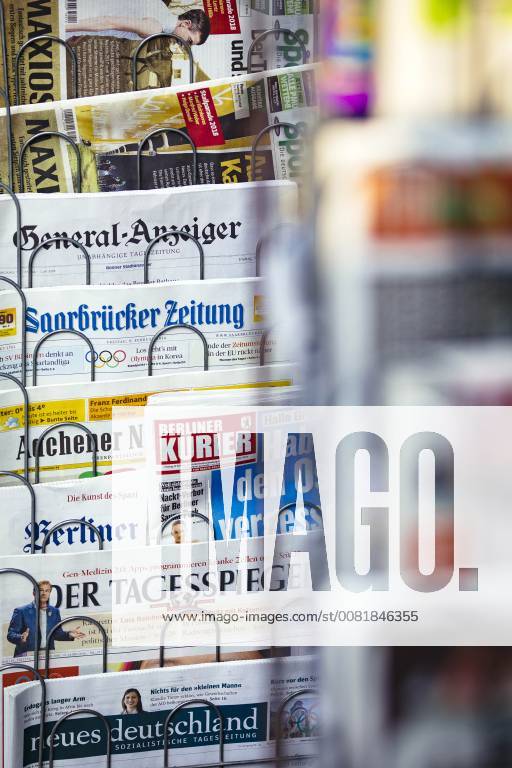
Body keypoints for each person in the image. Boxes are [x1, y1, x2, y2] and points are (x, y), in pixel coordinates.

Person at [66, 1, 210, 45]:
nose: (185, 45)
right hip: (77, 17)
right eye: (189, 41)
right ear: (186, 23)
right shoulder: (156, 28)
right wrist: (63, 27)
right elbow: (108, 22)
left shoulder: (161, 8)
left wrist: (83, 34)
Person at [7, 580, 85, 657]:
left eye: (47, 591)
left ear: (49, 593)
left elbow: (56, 634)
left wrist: (69, 634)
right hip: (26, 655)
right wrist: (21, 637)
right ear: (34, 593)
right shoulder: (21, 611)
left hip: (48, 655)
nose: (44, 593)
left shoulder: (55, 611)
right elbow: (10, 634)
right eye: (41, 590)